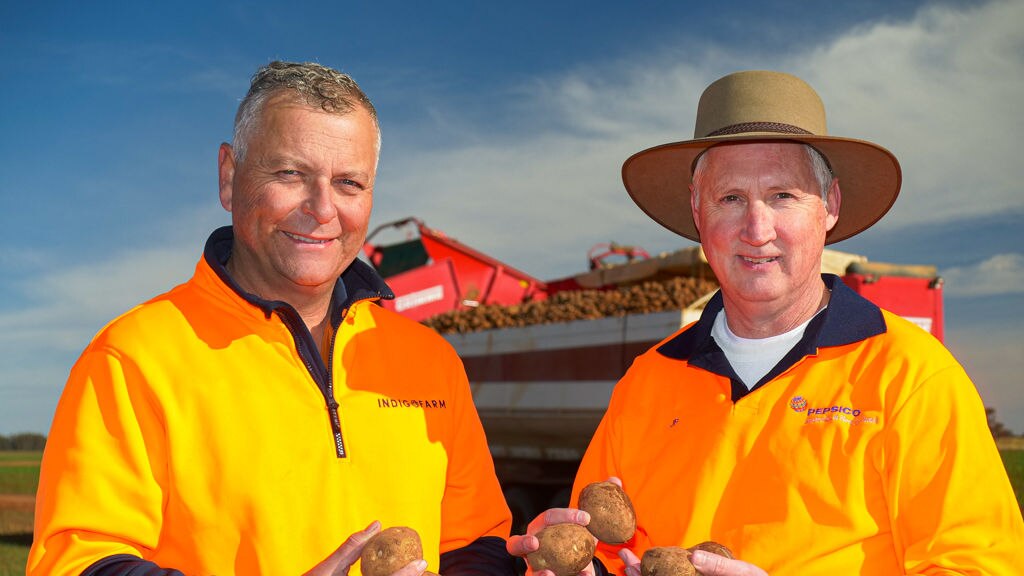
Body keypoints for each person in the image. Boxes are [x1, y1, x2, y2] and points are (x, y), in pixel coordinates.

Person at [508, 70, 1024, 575]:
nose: (756, 230)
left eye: (783, 196)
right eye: (730, 199)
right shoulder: (647, 380)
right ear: (697, 211)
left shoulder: (911, 377)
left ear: (830, 207)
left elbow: (980, 565)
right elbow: (602, 552)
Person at [28, 61, 516, 576]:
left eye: (349, 182)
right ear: (230, 176)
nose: (323, 208)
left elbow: (473, 541)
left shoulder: (429, 359)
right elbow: (80, 561)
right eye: (290, 174)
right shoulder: (134, 358)